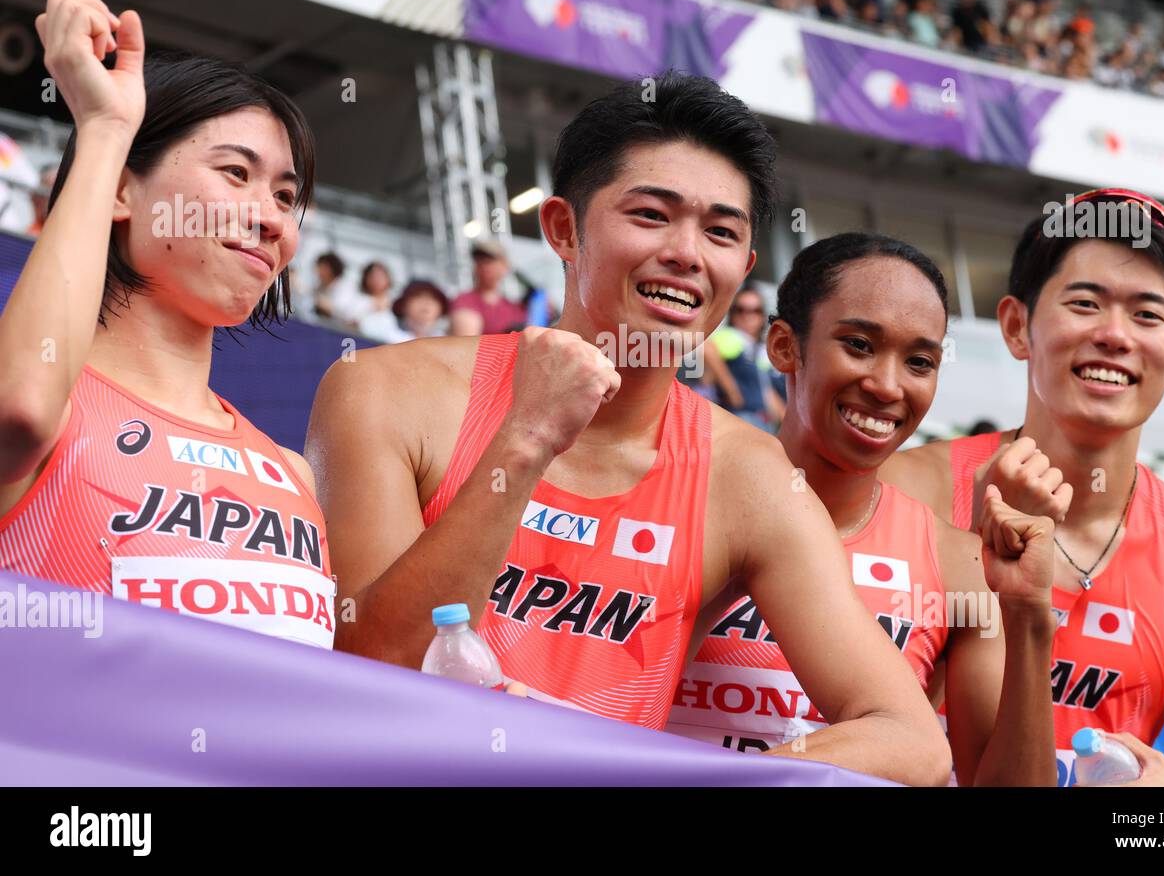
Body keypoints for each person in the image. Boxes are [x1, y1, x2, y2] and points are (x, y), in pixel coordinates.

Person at [306, 72, 951, 784]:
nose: (687, 253)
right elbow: (369, 668)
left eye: (721, 232)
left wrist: (673, 780)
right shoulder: (384, 391)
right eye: (650, 214)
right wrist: (525, 440)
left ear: (743, 267)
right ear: (563, 229)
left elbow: (910, 742)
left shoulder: (748, 476)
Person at [880, 189, 1164, 786]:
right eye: (1085, 303)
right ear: (1016, 326)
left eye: (1147, 314)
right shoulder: (901, 493)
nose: (1115, 336)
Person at [0, 0, 335, 649]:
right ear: (122, 191)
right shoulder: (47, 412)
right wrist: (103, 125)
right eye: (235, 173)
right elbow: (21, 410)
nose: (271, 218)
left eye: (286, 196)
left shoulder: (294, 474)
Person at [667, 234, 1057, 786]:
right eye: (858, 345)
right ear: (783, 346)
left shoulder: (956, 564)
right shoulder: (680, 504)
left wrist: (1030, 617)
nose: (886, 385)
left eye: (919, 361)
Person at [703, 283, 783, 431]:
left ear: (762, 316)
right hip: (741, 418)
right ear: (732, 314)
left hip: (764, 422)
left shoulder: (759, 348)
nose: (748, 316)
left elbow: (765, 389)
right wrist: (733, 392)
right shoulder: (729, 337)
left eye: (755, 310)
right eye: (741, 310)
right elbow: (706, 348)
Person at [448, 239, 527, 336]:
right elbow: (467, 346)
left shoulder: (514, 308)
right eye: (479, 260)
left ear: (505, 265)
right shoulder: (465, 301)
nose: (484, 266)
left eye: (490, 260)